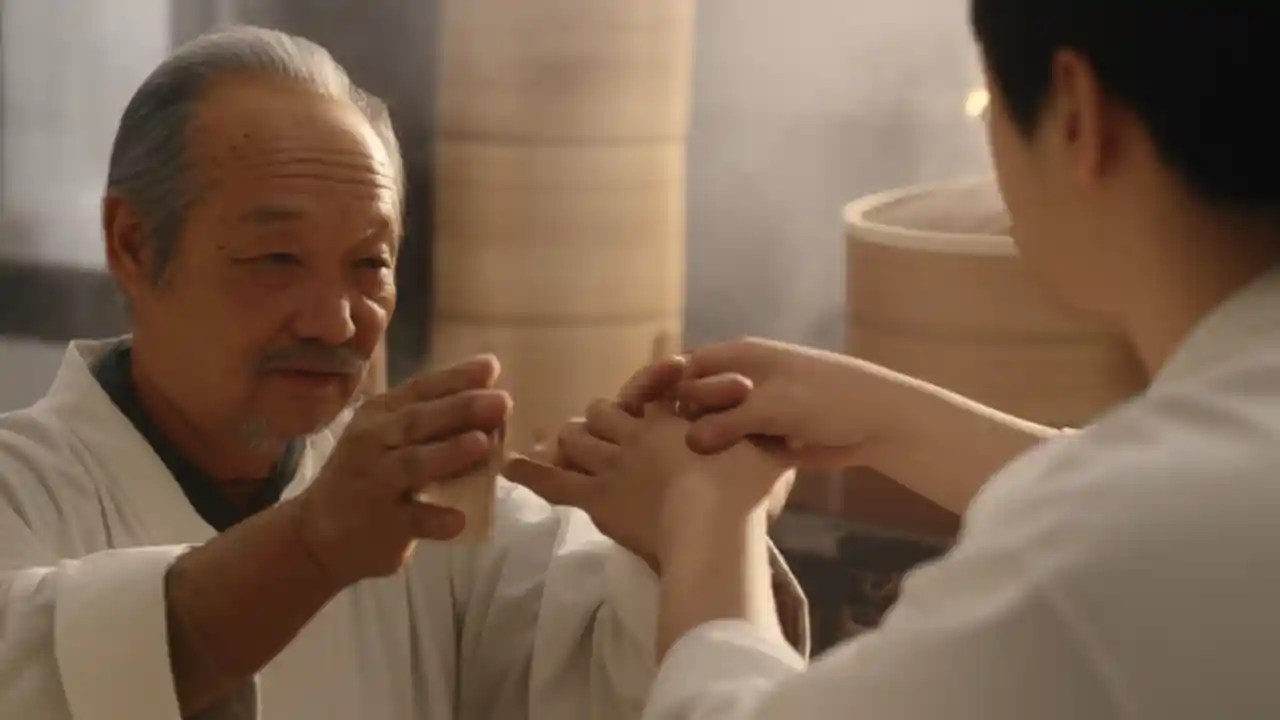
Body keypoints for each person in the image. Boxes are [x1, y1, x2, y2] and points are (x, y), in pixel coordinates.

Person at [0, 27, 803, 720]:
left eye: (369, 265)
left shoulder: (433, 516)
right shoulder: (20, 493)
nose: (335, 320)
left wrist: (680, 518)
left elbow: (649, 685)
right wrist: (312, 547)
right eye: (277, 258)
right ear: (133, 245)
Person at [507, 1, 1280, 717]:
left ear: (1076, 112)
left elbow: (1129, 530)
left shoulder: (1083, 564)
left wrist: (707, 520)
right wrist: (893, 421)